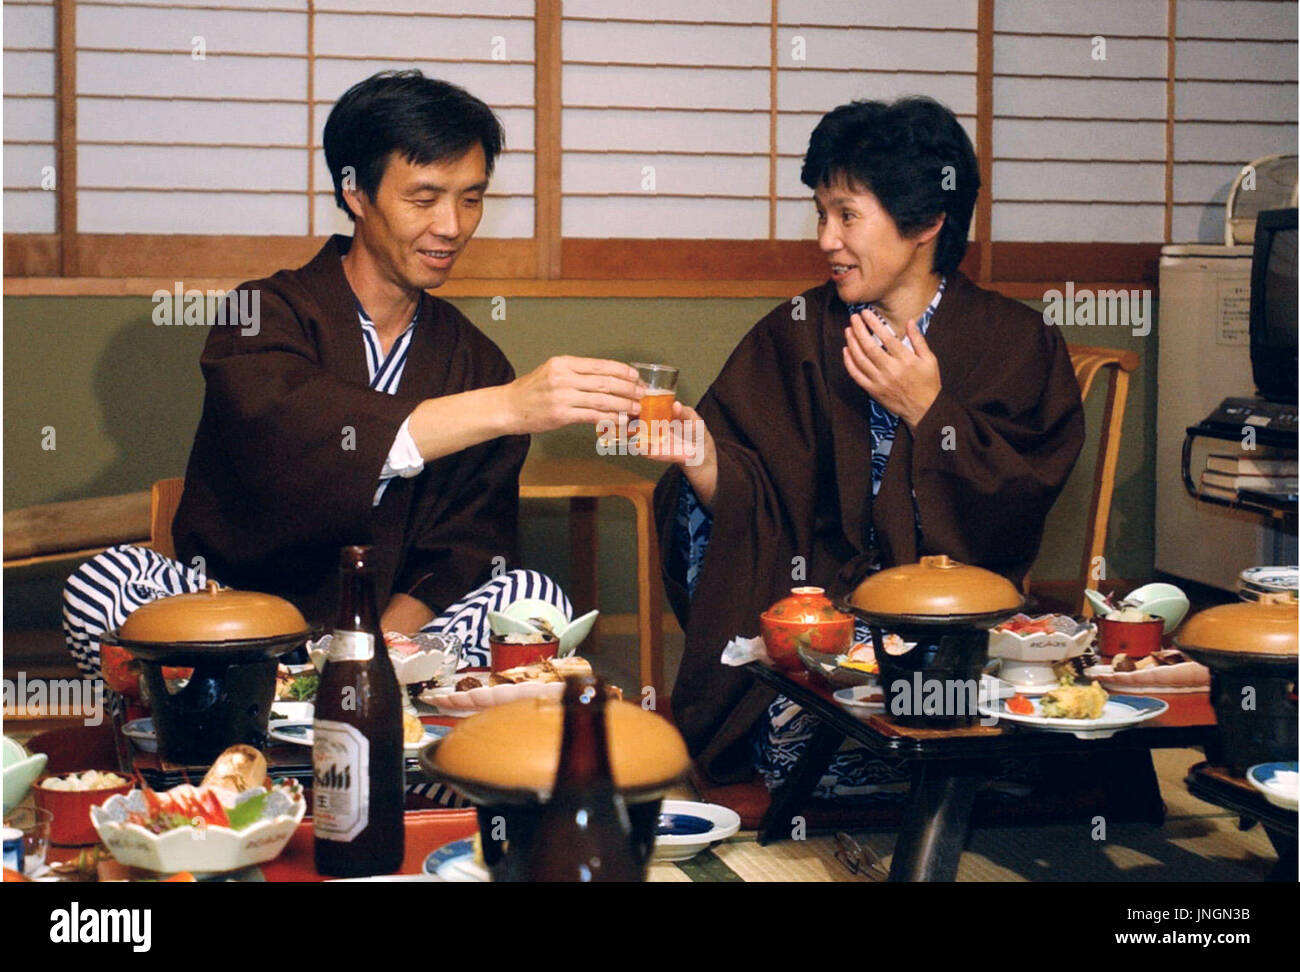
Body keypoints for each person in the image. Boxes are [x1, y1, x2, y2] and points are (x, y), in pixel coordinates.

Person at [64, 70, 644, 680]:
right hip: (236, 630)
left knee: (534, 600)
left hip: (387, 645)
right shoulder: (261, 313)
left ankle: (359, 711)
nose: (451, 225)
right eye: (424, 198)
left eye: (471, 199)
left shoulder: (474, 361)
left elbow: (465, 546)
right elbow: (291, 434)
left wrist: (366, 648)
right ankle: (262, 706)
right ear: (355, 193)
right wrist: (506, 408)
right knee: (105, 579)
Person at [646, 96, 1086, 795]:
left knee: (1065, 722)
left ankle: (948, 761)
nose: (826, 239)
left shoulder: (1015, 342)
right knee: (807, 736)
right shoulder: (796, 330)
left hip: (956, 634)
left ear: (928, 222)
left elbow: (1017, 503)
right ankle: (947, 768)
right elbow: (754, 488)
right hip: (830, 630)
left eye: (847, 215)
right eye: (821, 214)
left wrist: (929, 411)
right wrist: (702, 460)